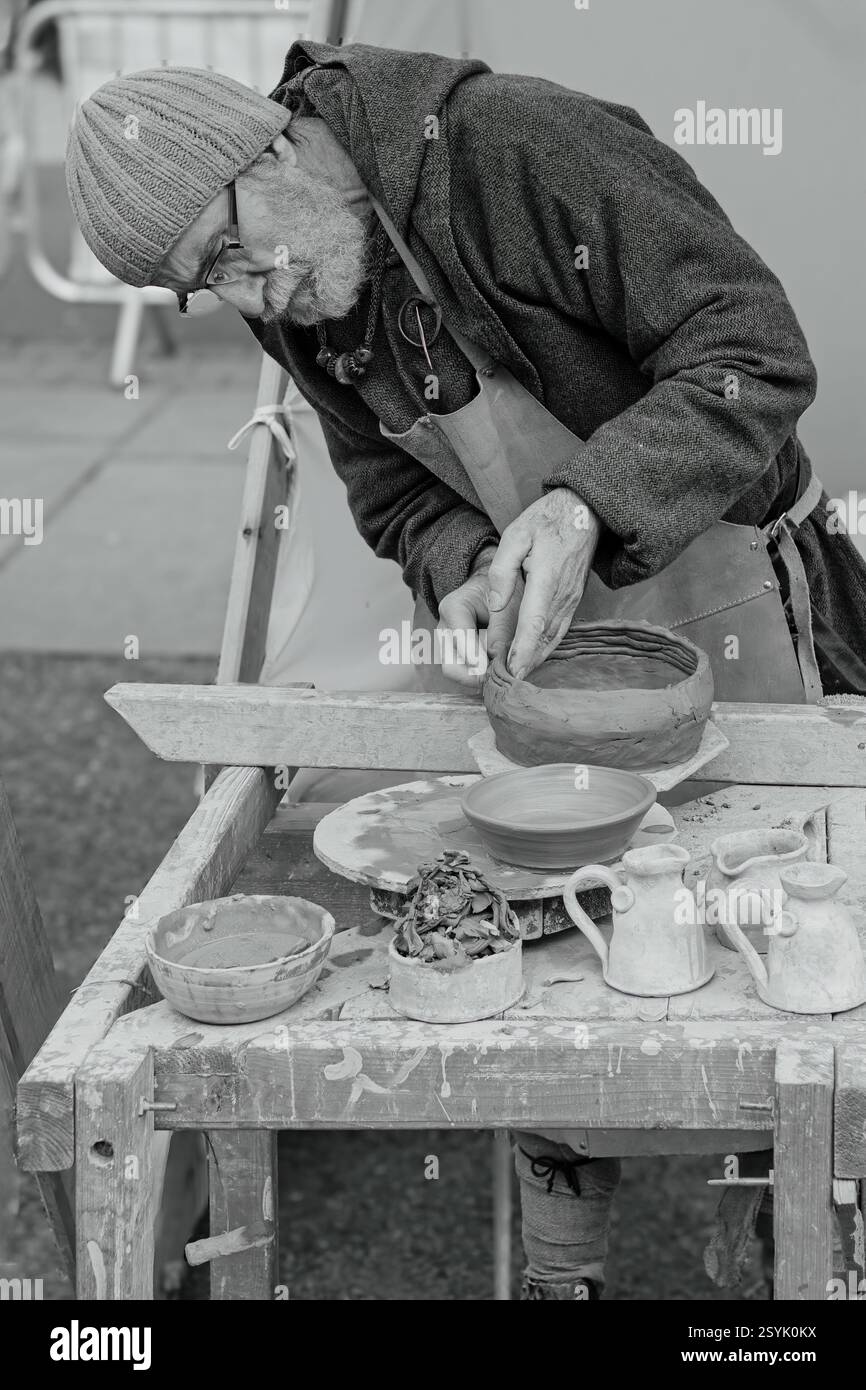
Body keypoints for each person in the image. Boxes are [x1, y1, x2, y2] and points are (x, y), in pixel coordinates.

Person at [66, 41, 866, 1298]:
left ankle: (787, 1255)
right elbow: (390, 492)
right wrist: (469, 563)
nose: (248, 298)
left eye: (226, 254)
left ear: (269, 148)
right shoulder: (302, 286)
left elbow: (752, 347)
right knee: (541, 926)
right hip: (539, 654)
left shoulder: (512, 150)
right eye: (200, 289)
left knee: (766, 957)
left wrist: (586, 504)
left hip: (723, 606)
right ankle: (560, 1268)